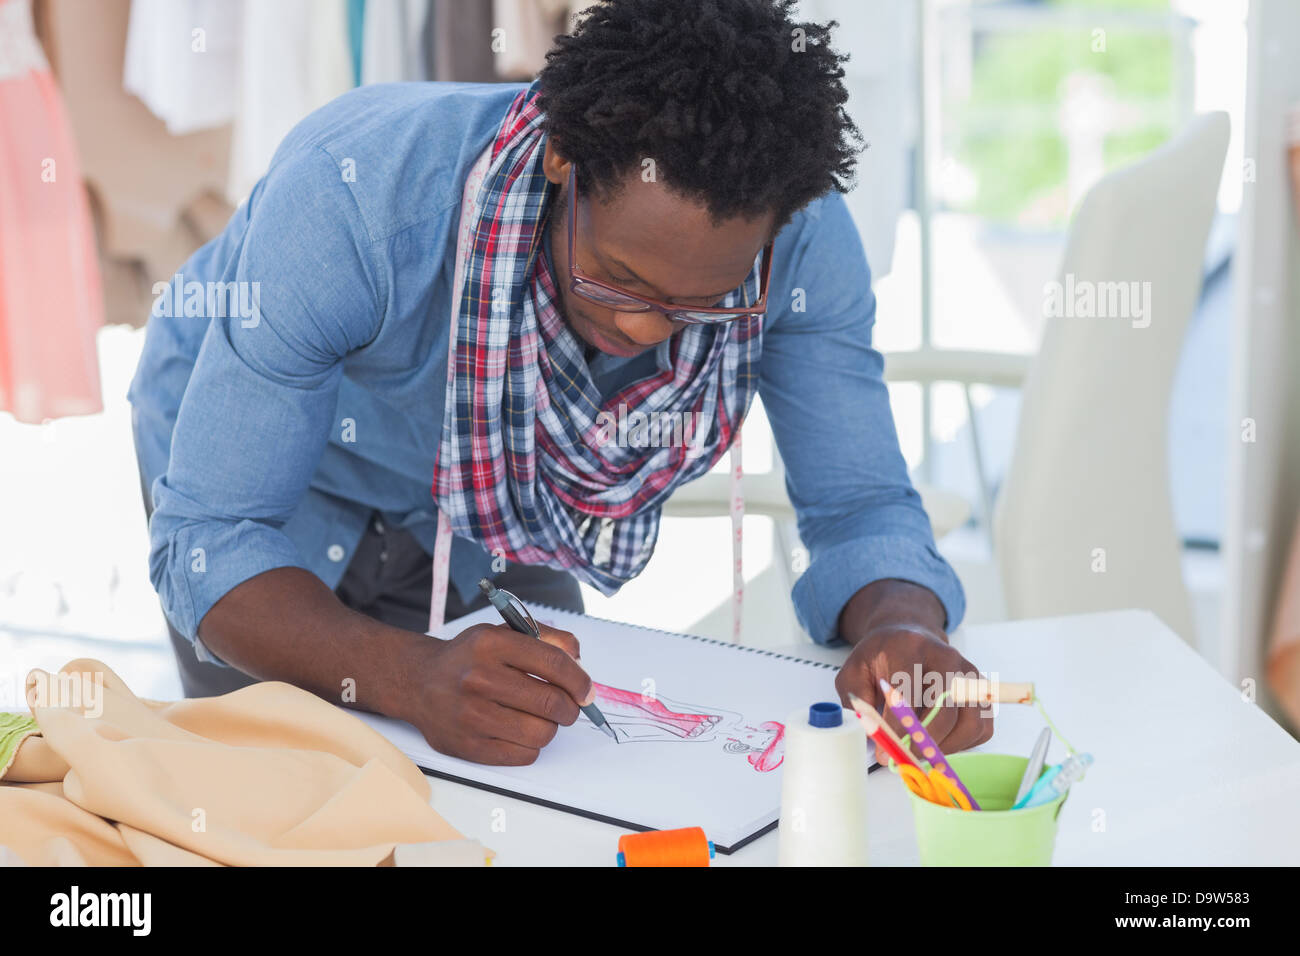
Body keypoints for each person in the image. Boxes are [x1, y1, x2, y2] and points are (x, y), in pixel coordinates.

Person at [129, 0, 992, 767]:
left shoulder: (797, 239)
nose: (649, 330)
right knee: (284, 794)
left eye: (705, 304)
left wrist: (903, 627)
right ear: (560, 163)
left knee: (536, 768)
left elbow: (860, 509)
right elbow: (213, 538)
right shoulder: (354, 196)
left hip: (492, 509)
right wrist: (411, 674)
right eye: (619, 279)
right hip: (269, 488)